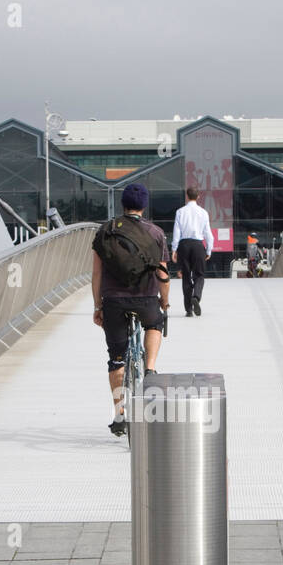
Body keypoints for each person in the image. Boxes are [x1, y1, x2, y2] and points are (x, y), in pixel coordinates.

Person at [91, 183, 170, 437]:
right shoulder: (156, 233)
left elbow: (96, 274)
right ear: (144, 205)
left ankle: (119, 414)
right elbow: (162, 273)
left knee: (116, 358)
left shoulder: (106, 231)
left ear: (122, 204)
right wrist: (164, 302)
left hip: (113, 301)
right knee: (154, 324)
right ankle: (150, 369)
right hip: (146, 298)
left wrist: (97, 305)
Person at [171, 186, 212, 316]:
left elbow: (176, 232)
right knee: (199, 275)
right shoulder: (203, 212)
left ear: (187, 196)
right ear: (198, 196)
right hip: (198, 245)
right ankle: (196, 296)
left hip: (184, 245)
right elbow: (208, 234)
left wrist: (174, 249)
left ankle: (188, 309)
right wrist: (209, 250)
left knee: (186, 276)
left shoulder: (180, 212)